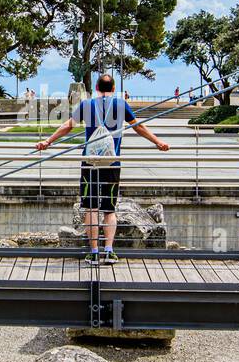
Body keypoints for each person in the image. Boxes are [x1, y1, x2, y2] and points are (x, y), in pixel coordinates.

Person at [37, 73, 168, 265]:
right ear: (114, 89)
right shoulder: (121, 105)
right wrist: (158, 142)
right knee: (109, 209)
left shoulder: (87, 105)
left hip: (90, 162)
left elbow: (68, 126)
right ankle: (109, 251)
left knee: (91, 208)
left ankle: (94, 252)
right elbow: (139, 128)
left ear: (96, 88)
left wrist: (48, 141)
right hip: (112, 163)